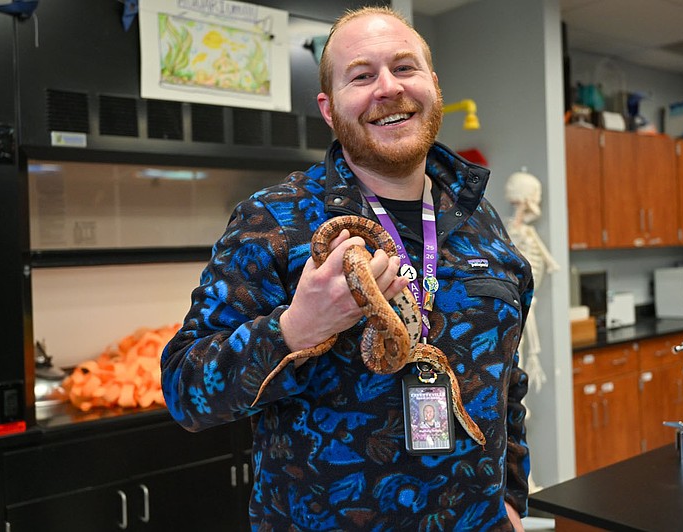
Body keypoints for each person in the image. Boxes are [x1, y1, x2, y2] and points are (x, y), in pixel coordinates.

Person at [161, 6, 533, 531]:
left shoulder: (481, 218)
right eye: (361, 76)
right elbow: (185, 389)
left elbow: (508, 378)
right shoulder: (272, 220)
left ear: (433, 83)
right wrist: (296, 329)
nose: (388, 88)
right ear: (330, 109)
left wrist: (513, 502)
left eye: (405, 68)